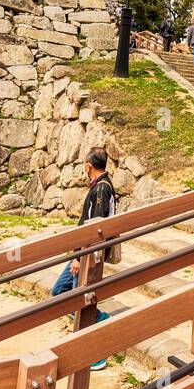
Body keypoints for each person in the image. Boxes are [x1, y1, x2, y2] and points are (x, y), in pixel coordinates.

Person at [51, 147, 117, 369]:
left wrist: (81, 257)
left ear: (89, 165)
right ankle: (97, 321)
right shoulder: (101, 187)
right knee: (60, 292)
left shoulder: (101, 190)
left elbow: (95, 228)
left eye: (84, 164)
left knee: (81, 300)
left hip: (88, 255)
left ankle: (95, 352)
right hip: (84, 253)